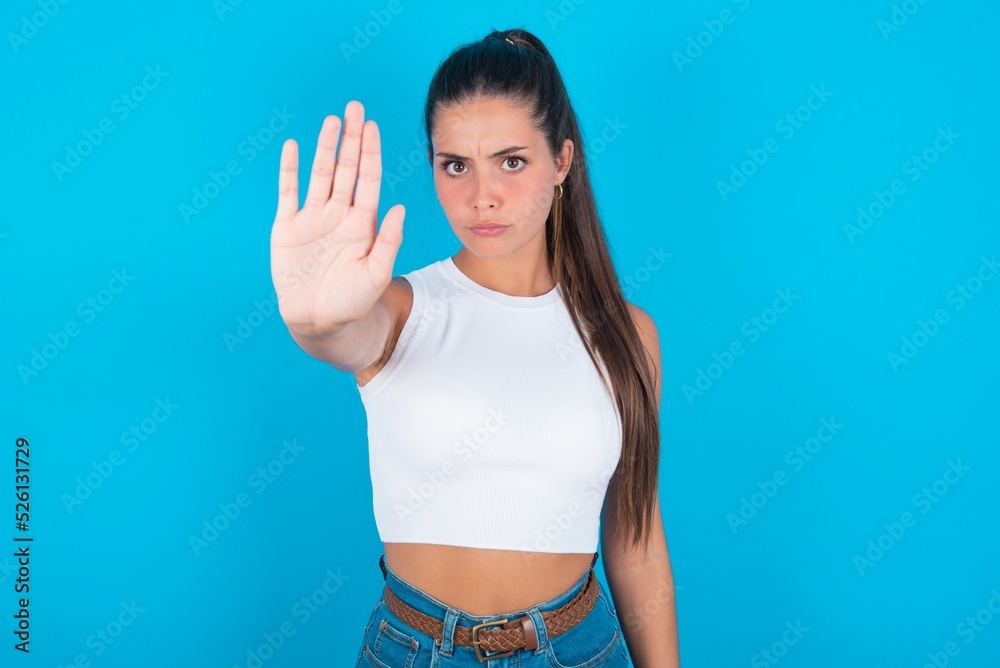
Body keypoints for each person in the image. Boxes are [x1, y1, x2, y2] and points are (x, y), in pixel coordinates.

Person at [270, 27, 679, 667]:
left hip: (579, 648)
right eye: (455, 165)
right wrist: (313, 321)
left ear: (562, 162)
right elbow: (342, 336)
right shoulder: (401, 310)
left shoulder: (628, 337)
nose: (481, 196)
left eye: (511, 161)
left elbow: (637, 538)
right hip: (417, 650)